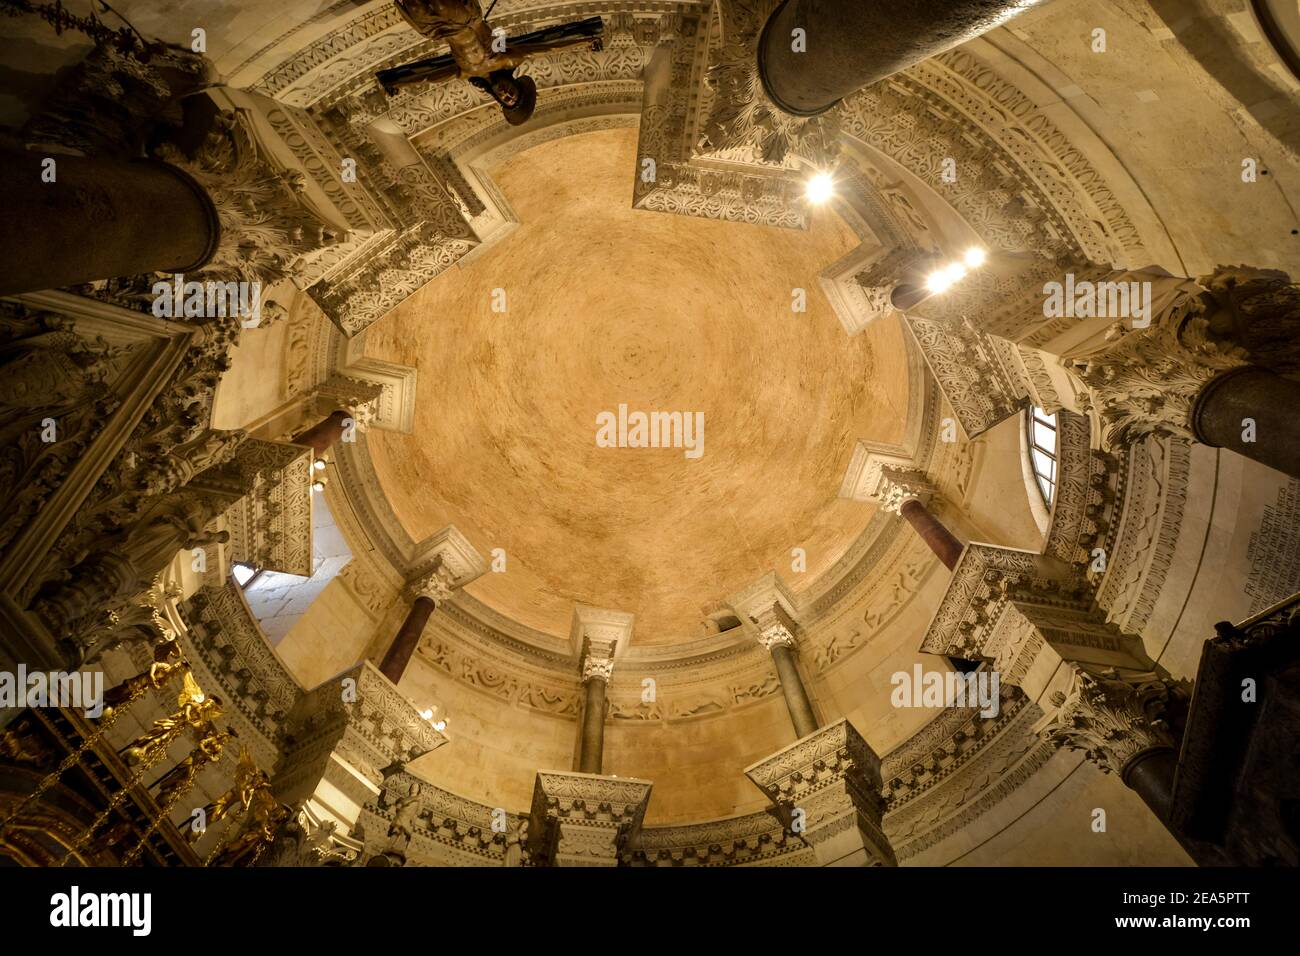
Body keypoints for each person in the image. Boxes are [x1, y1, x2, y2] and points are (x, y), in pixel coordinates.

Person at [381, 1, 603, 125]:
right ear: (516, 86)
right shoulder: (507, 59)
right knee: (440, 5)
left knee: (417, 8)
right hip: (465, 17)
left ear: (497, 97)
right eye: (512, 94)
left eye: (504, 99)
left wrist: (397, 83)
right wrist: (585, 41)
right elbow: (546, 47)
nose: (506, 94)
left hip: (439, 30)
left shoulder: (469, 73)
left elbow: (431, 77)